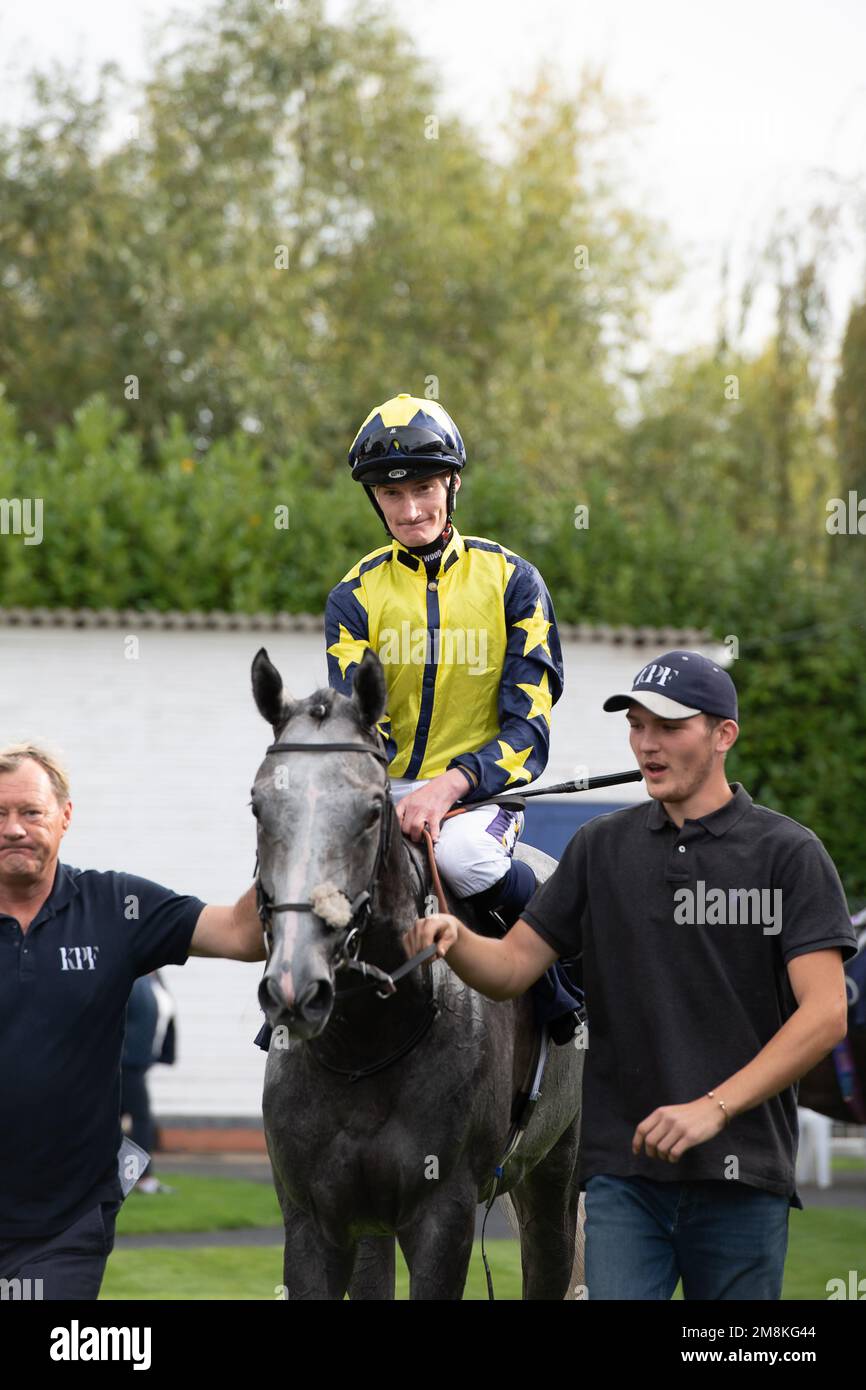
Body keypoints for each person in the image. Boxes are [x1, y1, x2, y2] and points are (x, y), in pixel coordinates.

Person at [403, 651, 858, 1300]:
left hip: (741, 1171)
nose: (648, 743)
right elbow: (511, 970)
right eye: (637, 726)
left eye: (669, 727)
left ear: (724, 734)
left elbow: (825, 1015)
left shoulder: (789, 855)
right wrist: (455, 940)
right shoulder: (598, 849)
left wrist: (711, 1110)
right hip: (622, 1177)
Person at [325, 391, 583, 1040]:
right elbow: (359, 727)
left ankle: (559, 987)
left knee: (467, 859)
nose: (409, 509)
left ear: (452, 483)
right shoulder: (352, 597)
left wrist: (449, 786)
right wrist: (387, 795)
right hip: (383, 793)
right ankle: (295, 1001)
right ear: (373, 501)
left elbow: (529, 730)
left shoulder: (515, 582)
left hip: (478, 797)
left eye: (423, 488)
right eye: (391, 495)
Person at [0, 743, 266, 1299]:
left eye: (31, 812)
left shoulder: (115, 906)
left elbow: (243, 934)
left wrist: (299, 840)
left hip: (64, 1226)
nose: (15, 829)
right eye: (0, 814)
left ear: (65, 816)